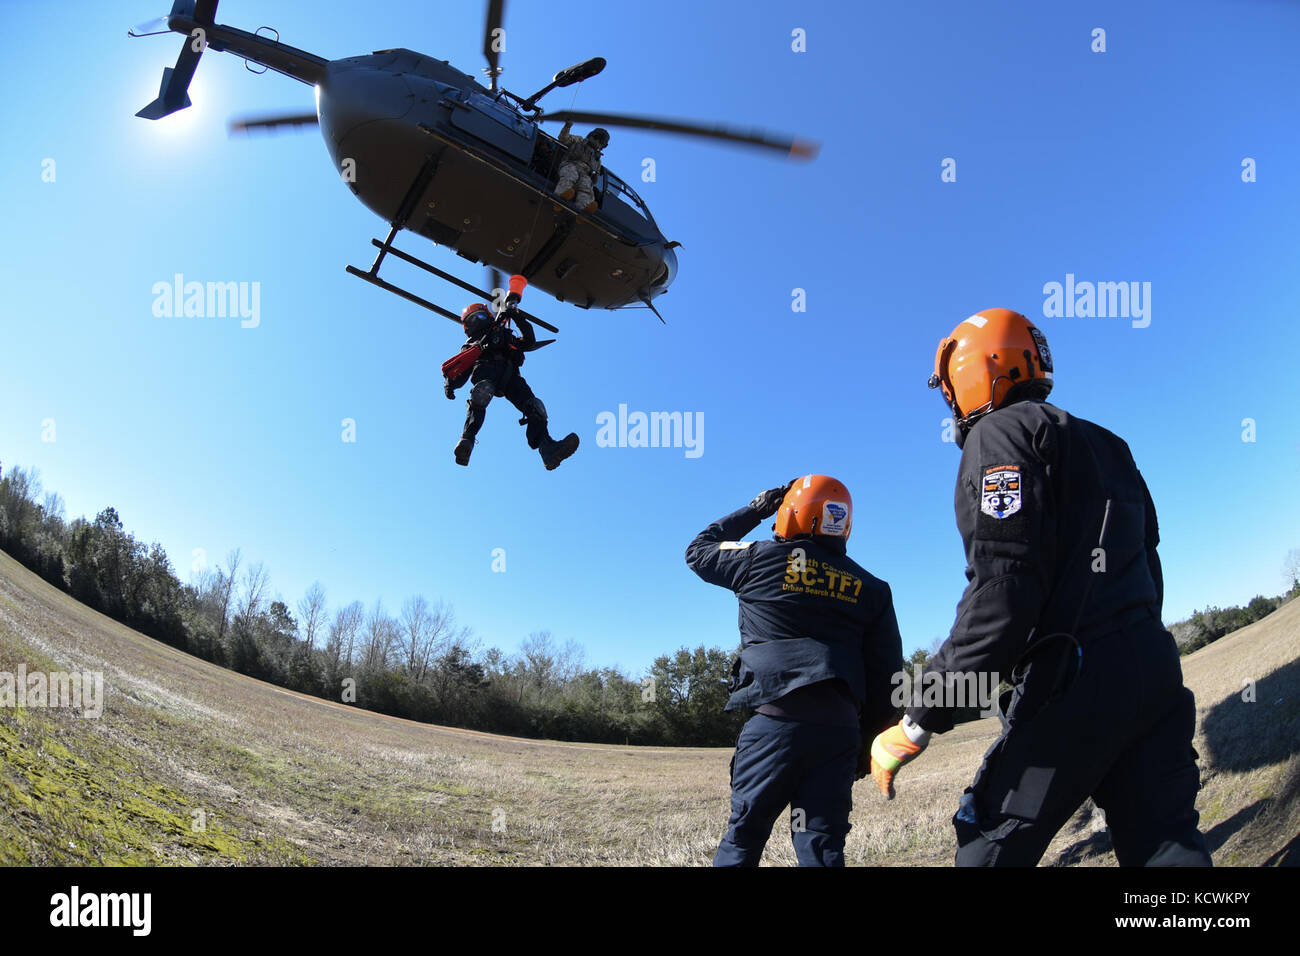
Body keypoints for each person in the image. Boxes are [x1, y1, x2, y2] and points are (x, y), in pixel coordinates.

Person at [869, 308, 1212, 867]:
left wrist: (919, 716)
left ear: (975, 372)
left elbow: (1004, 591)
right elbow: (1149, 564)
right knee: (1166, 845)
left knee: (988, 850)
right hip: (1153, 665)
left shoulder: (1000, 435)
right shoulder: (1110, 444)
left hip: (1073, 678)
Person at [686, 476, 904, 866]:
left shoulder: (759, 557)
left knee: (744, 837)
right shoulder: (872, 588)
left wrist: (755, 509)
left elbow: (698, 551)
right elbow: (888, 677)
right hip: (839, 731)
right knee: (820, 846)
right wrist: (862, 748)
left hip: (775, 724)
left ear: (790, 514)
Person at [443, 299, 578, 470]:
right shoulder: (473, 345)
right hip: (486, 370)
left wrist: (517, 316)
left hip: (510, 377)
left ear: (489, 317)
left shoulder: (506, 336)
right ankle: (466, 441)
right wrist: (451, 384)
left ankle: (548, 449)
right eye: (472, 320)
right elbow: (461, 366)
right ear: (467, 327)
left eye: (480, 316)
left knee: (535, 407)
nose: (478, 322)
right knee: (481, 393)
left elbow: (529, 341)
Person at [554, 122, 608, 213]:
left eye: (600, 142)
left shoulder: (597, 159)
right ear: (591, 136)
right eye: (596, 138)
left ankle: (583, 209)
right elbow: (563, 138)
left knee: (586, 186)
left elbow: (595, 180)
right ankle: (560, 196)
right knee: (571, 175)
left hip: (585, 173)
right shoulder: (579, 140)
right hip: (570, 164)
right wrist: (567, 126)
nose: (597, 142)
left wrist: (594, 176)